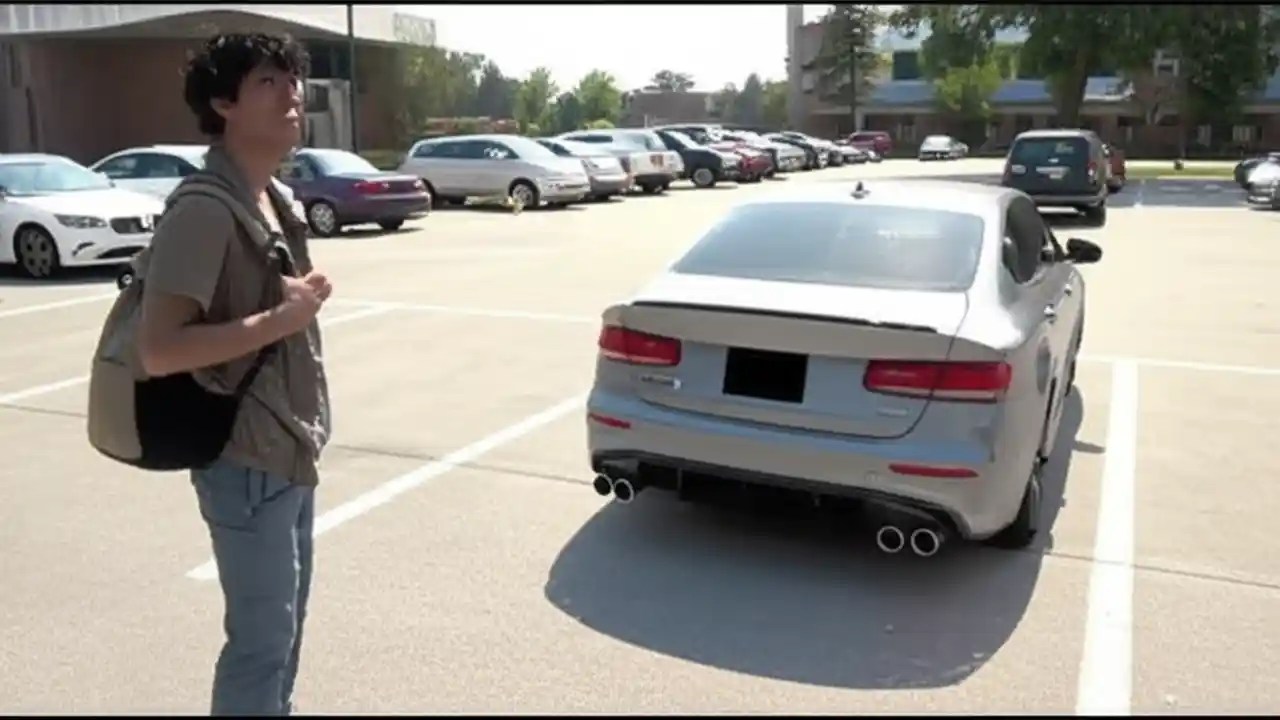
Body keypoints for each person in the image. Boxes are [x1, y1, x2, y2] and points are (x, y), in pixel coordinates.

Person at [136, 32, 332, 716]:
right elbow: (158, 349)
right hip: (245, 460)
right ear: (224, 104)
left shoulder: (272, 198)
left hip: (287, 449)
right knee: (260, 643)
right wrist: (282, 319)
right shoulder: (203, 210)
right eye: (269, 84)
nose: (293, 96)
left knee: (283, 633)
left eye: (294, 81)